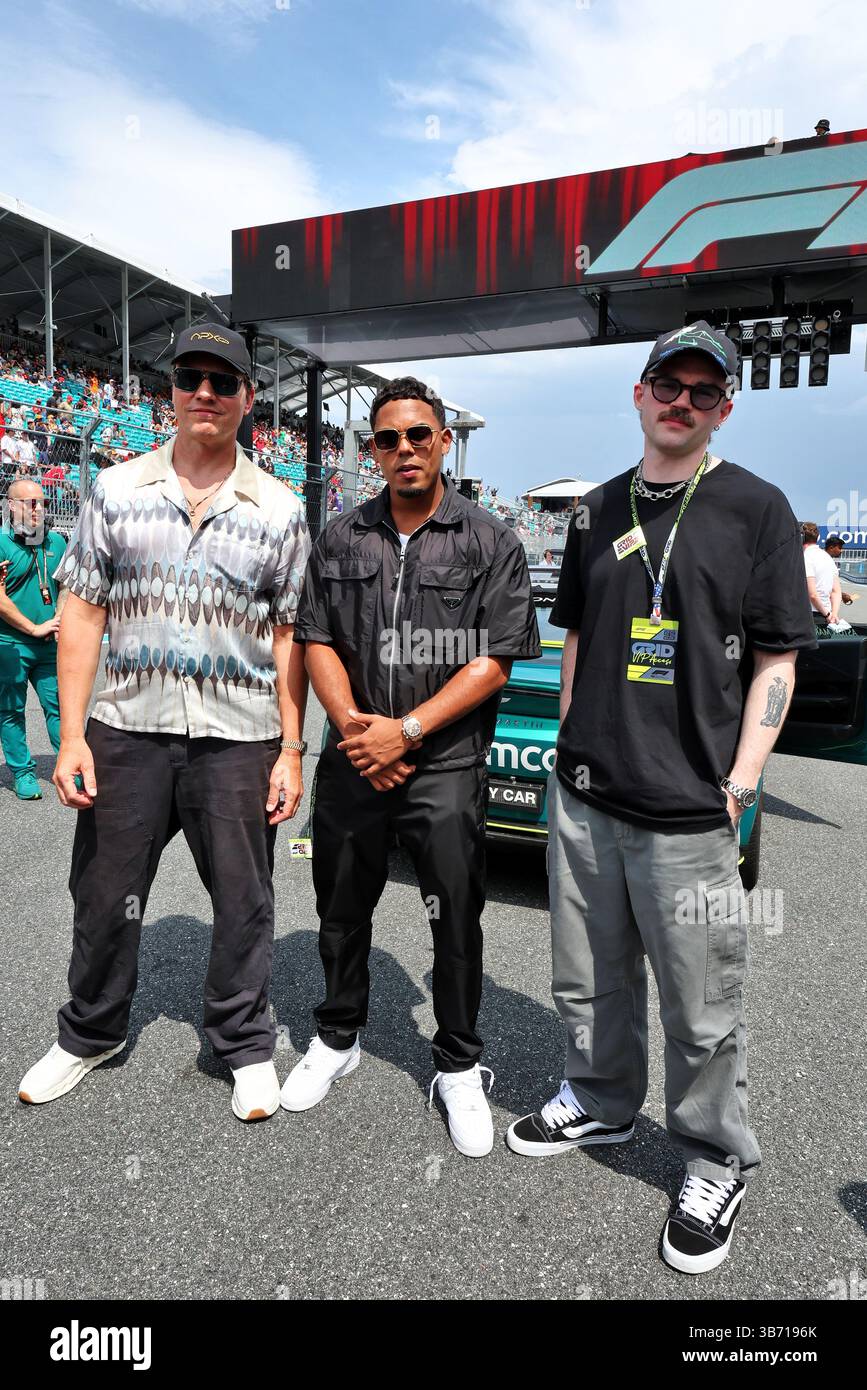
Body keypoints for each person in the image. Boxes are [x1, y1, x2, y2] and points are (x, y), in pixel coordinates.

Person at [506, 321, 817, 1274]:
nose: (680, 401)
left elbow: (777, 654)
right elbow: (575, 638)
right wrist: (565, 744)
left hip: (691, 810)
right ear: (637, 395)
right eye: (665, 384)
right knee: (588, 979)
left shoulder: (755, 508)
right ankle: (599, 1101)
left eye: (700, 390)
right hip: (587, 795)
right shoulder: (596, 507)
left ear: (723, 406)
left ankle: (715, 1157)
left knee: (701, 1002)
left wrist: (746, 778)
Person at [18, 324, 311, 1124]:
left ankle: (244, 1043)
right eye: (191, 377)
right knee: (105, 891)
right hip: (128, 727)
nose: (205, 393)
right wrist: (72, 736)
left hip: (239, 735)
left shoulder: (281, 509)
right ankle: (91, 1032)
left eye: (223, 380)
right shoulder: (114, 490)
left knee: (245, 899)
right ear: (170, 392)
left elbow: (290, 637)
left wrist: (291, 748)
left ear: (249, 399)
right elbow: (80, 615)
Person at [285, 375, 540, 1156]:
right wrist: (360, 732)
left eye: (418, 435)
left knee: (455, 918)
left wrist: (408, 730)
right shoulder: (340, 536)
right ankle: (337, 1035)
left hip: (445, 764)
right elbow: (315, 638)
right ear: (372, 449)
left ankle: (458, 1063)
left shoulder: (490, 539)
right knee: (338, 908)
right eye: (388, 438)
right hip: (354, 758)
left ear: (442, 442)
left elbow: (496, 659)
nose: (404, 450)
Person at [0, 481, 66, 799]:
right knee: (11, 709)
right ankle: (23, 773)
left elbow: (65, 585)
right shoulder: (1, 543)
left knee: (60, 708)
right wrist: (32, 628)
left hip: (49, 644)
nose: (38, 509)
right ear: (11, 506)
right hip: (9, 644)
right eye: (30, 503)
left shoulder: (56, 542)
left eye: (41, 502)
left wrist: (60, 617)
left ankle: (68, 765)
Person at [802, 521, 848, 634]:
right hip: (828, 617)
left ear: (801, 538)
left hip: (808, 616)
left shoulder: (805, 557)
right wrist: (833, 615)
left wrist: (827, 614)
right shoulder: (827, 558)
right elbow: (836, 591)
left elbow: (812, 594)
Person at [824, 534, 856, 607]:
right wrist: (840, 595)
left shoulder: (829, 561)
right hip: (821, 609)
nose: (841, 551)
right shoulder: (825, 563)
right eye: (840, 548)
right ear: (831, 548)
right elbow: (821, 587)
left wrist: (840, 594)